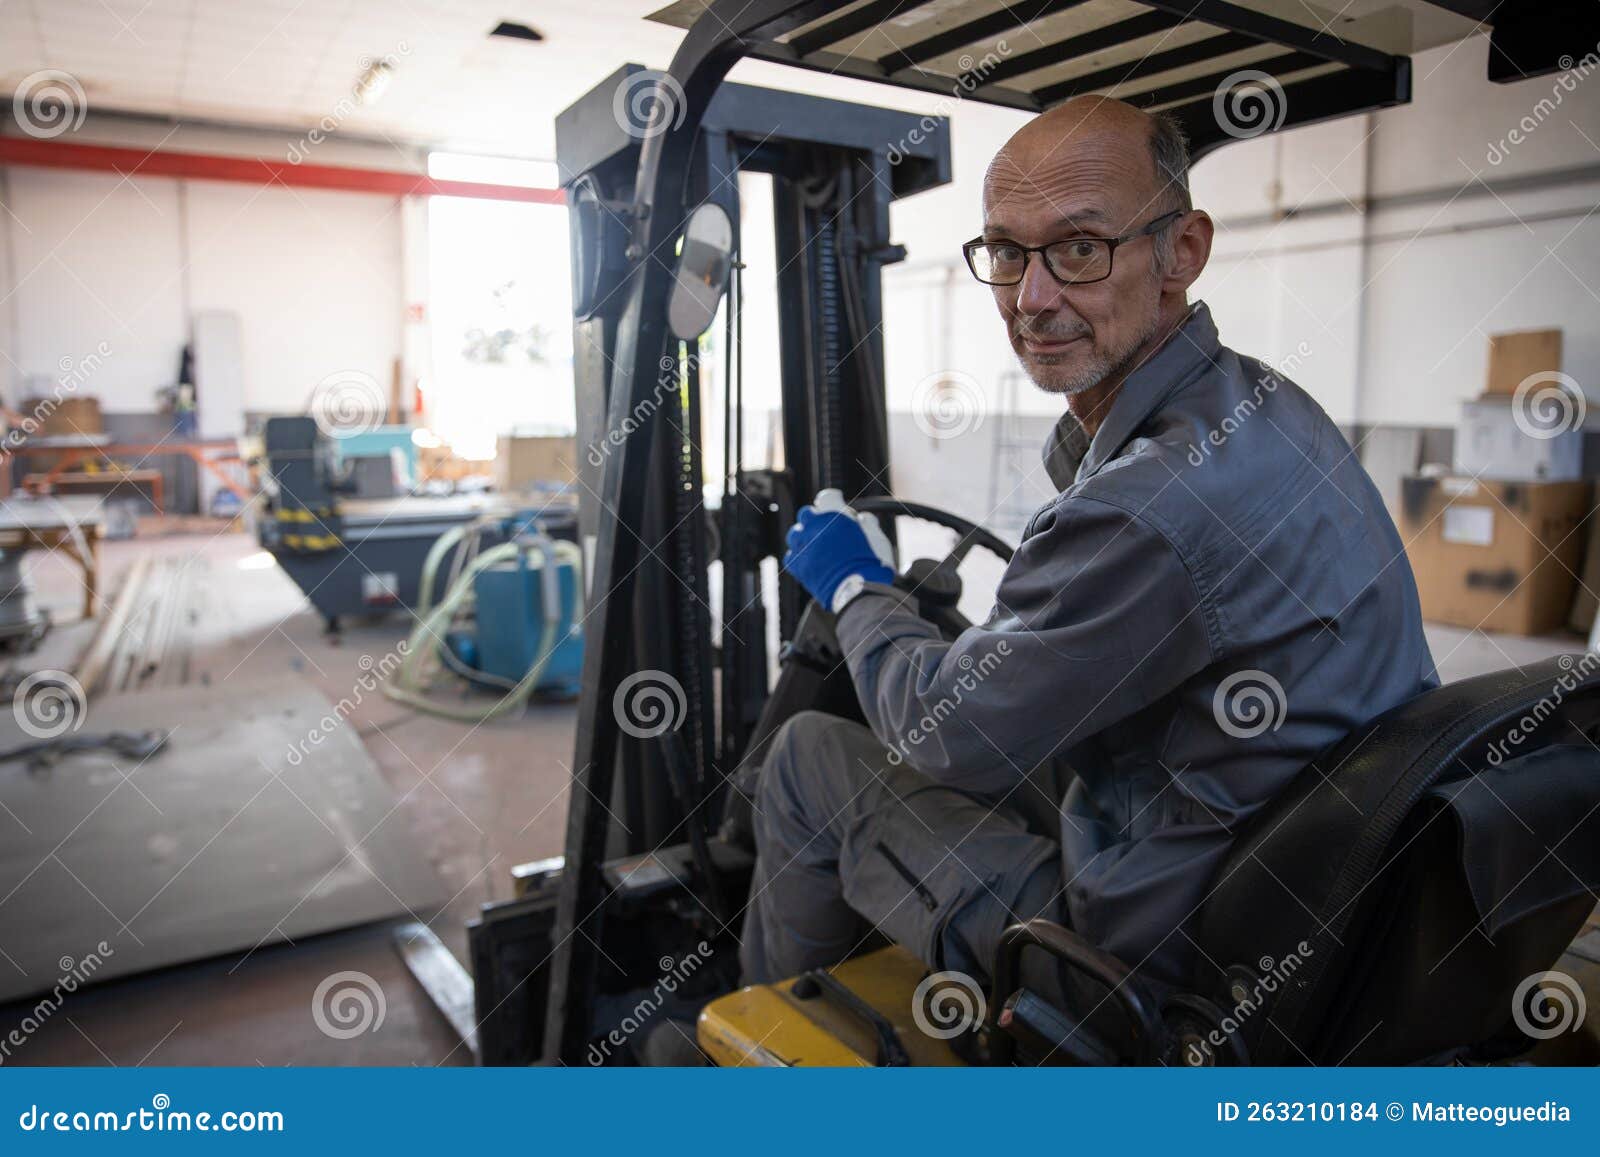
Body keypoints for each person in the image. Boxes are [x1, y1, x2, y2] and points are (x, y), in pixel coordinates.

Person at [740, 97, 1438, 1004]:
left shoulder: (1149, 505)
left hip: (1141, 962)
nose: (1031, 298)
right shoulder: (1266, 406)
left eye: (1079, 249)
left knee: (806, 759)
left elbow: (940, 732)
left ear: (1180, 251)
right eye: (1006, 252)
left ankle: (742, 1057)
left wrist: (856, 587)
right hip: (1286, 890)